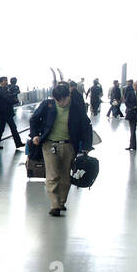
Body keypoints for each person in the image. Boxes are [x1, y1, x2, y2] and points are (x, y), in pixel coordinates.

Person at [29, 81, 92, 217]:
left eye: (63, 100)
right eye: (58, 100)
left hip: (68, 145)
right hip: (49, 145)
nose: (61, 103)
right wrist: (34, 135)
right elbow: (33, 119)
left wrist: (86, 147)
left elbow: (86, 127)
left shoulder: (76, 107)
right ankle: (55, 205)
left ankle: (62, 202)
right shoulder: (48, 105)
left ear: (68, 96)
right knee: (52, 175)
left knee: (65, 176)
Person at [0, 77, 23, 150]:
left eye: (6, 80)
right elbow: (8, 99)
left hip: (6, 112)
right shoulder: (1, 90)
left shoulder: (5, 89)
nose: (6, 82)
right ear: (1, 82)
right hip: (4, 112)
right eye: (5, 81)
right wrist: (15, 100)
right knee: (12, 128)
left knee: (2, 129)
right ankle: (18, 143)